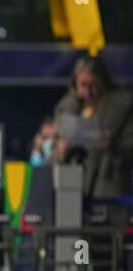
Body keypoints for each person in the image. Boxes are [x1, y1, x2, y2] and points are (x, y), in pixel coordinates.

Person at [50, 55, 132, 207]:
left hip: (108, 189)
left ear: (102, 82)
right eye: (83, 85)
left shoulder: (122, 108)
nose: (88, 92)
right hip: (70, 188)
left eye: (93, 85)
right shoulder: (67, 109)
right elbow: (53, 151)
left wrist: (112, 145)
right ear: (75, 84)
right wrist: (60, 151)